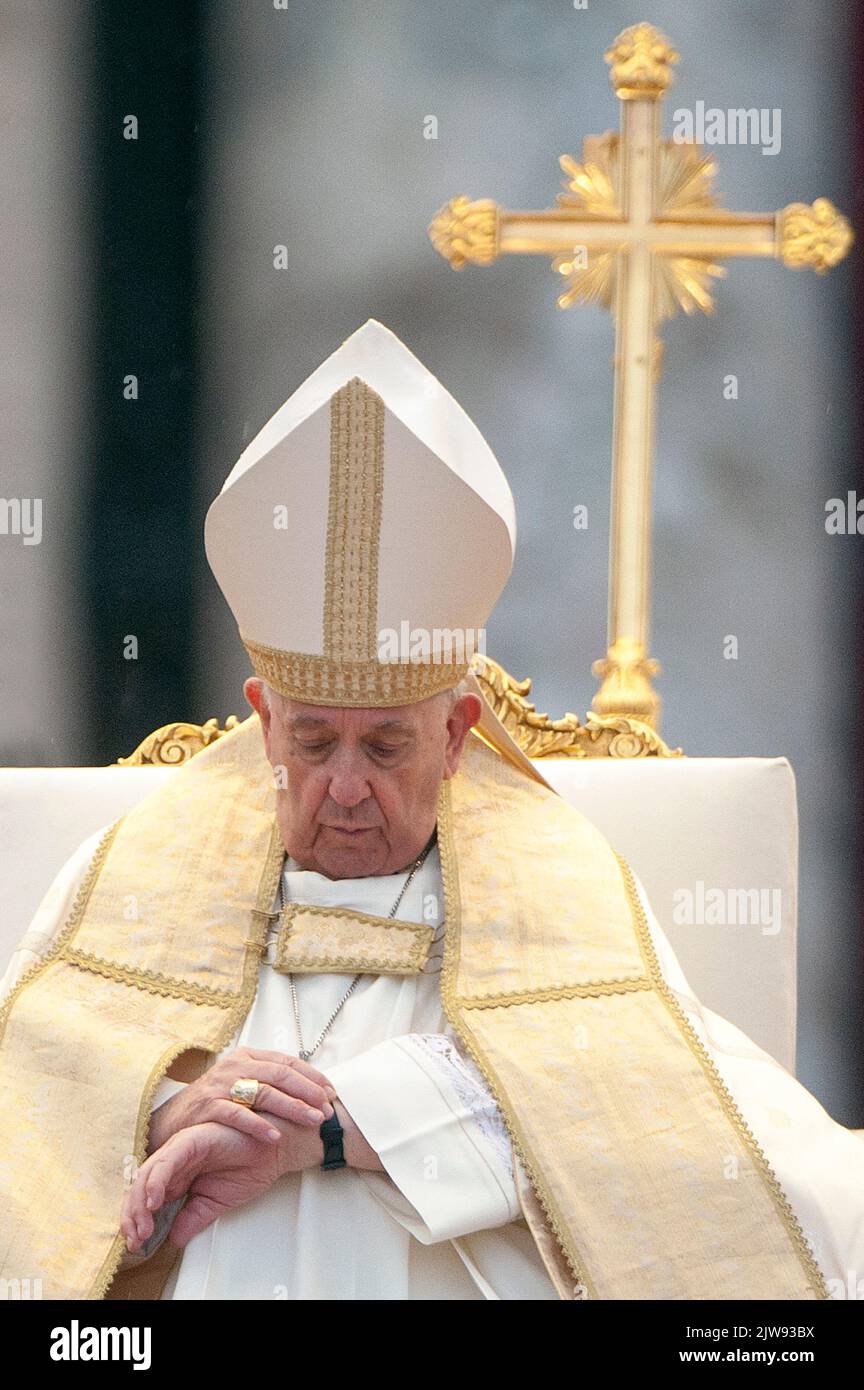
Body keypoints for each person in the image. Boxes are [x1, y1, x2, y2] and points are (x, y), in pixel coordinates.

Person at [1, 320, 862, 1302]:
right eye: (314, 743)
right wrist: (156, 1115)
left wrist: (341, 1128)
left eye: (388, 745)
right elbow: (27, 1096)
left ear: (457, 733)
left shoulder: (555, 881)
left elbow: (659, 1123)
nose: (348, 786)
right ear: (262, 721)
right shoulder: (142, 868)